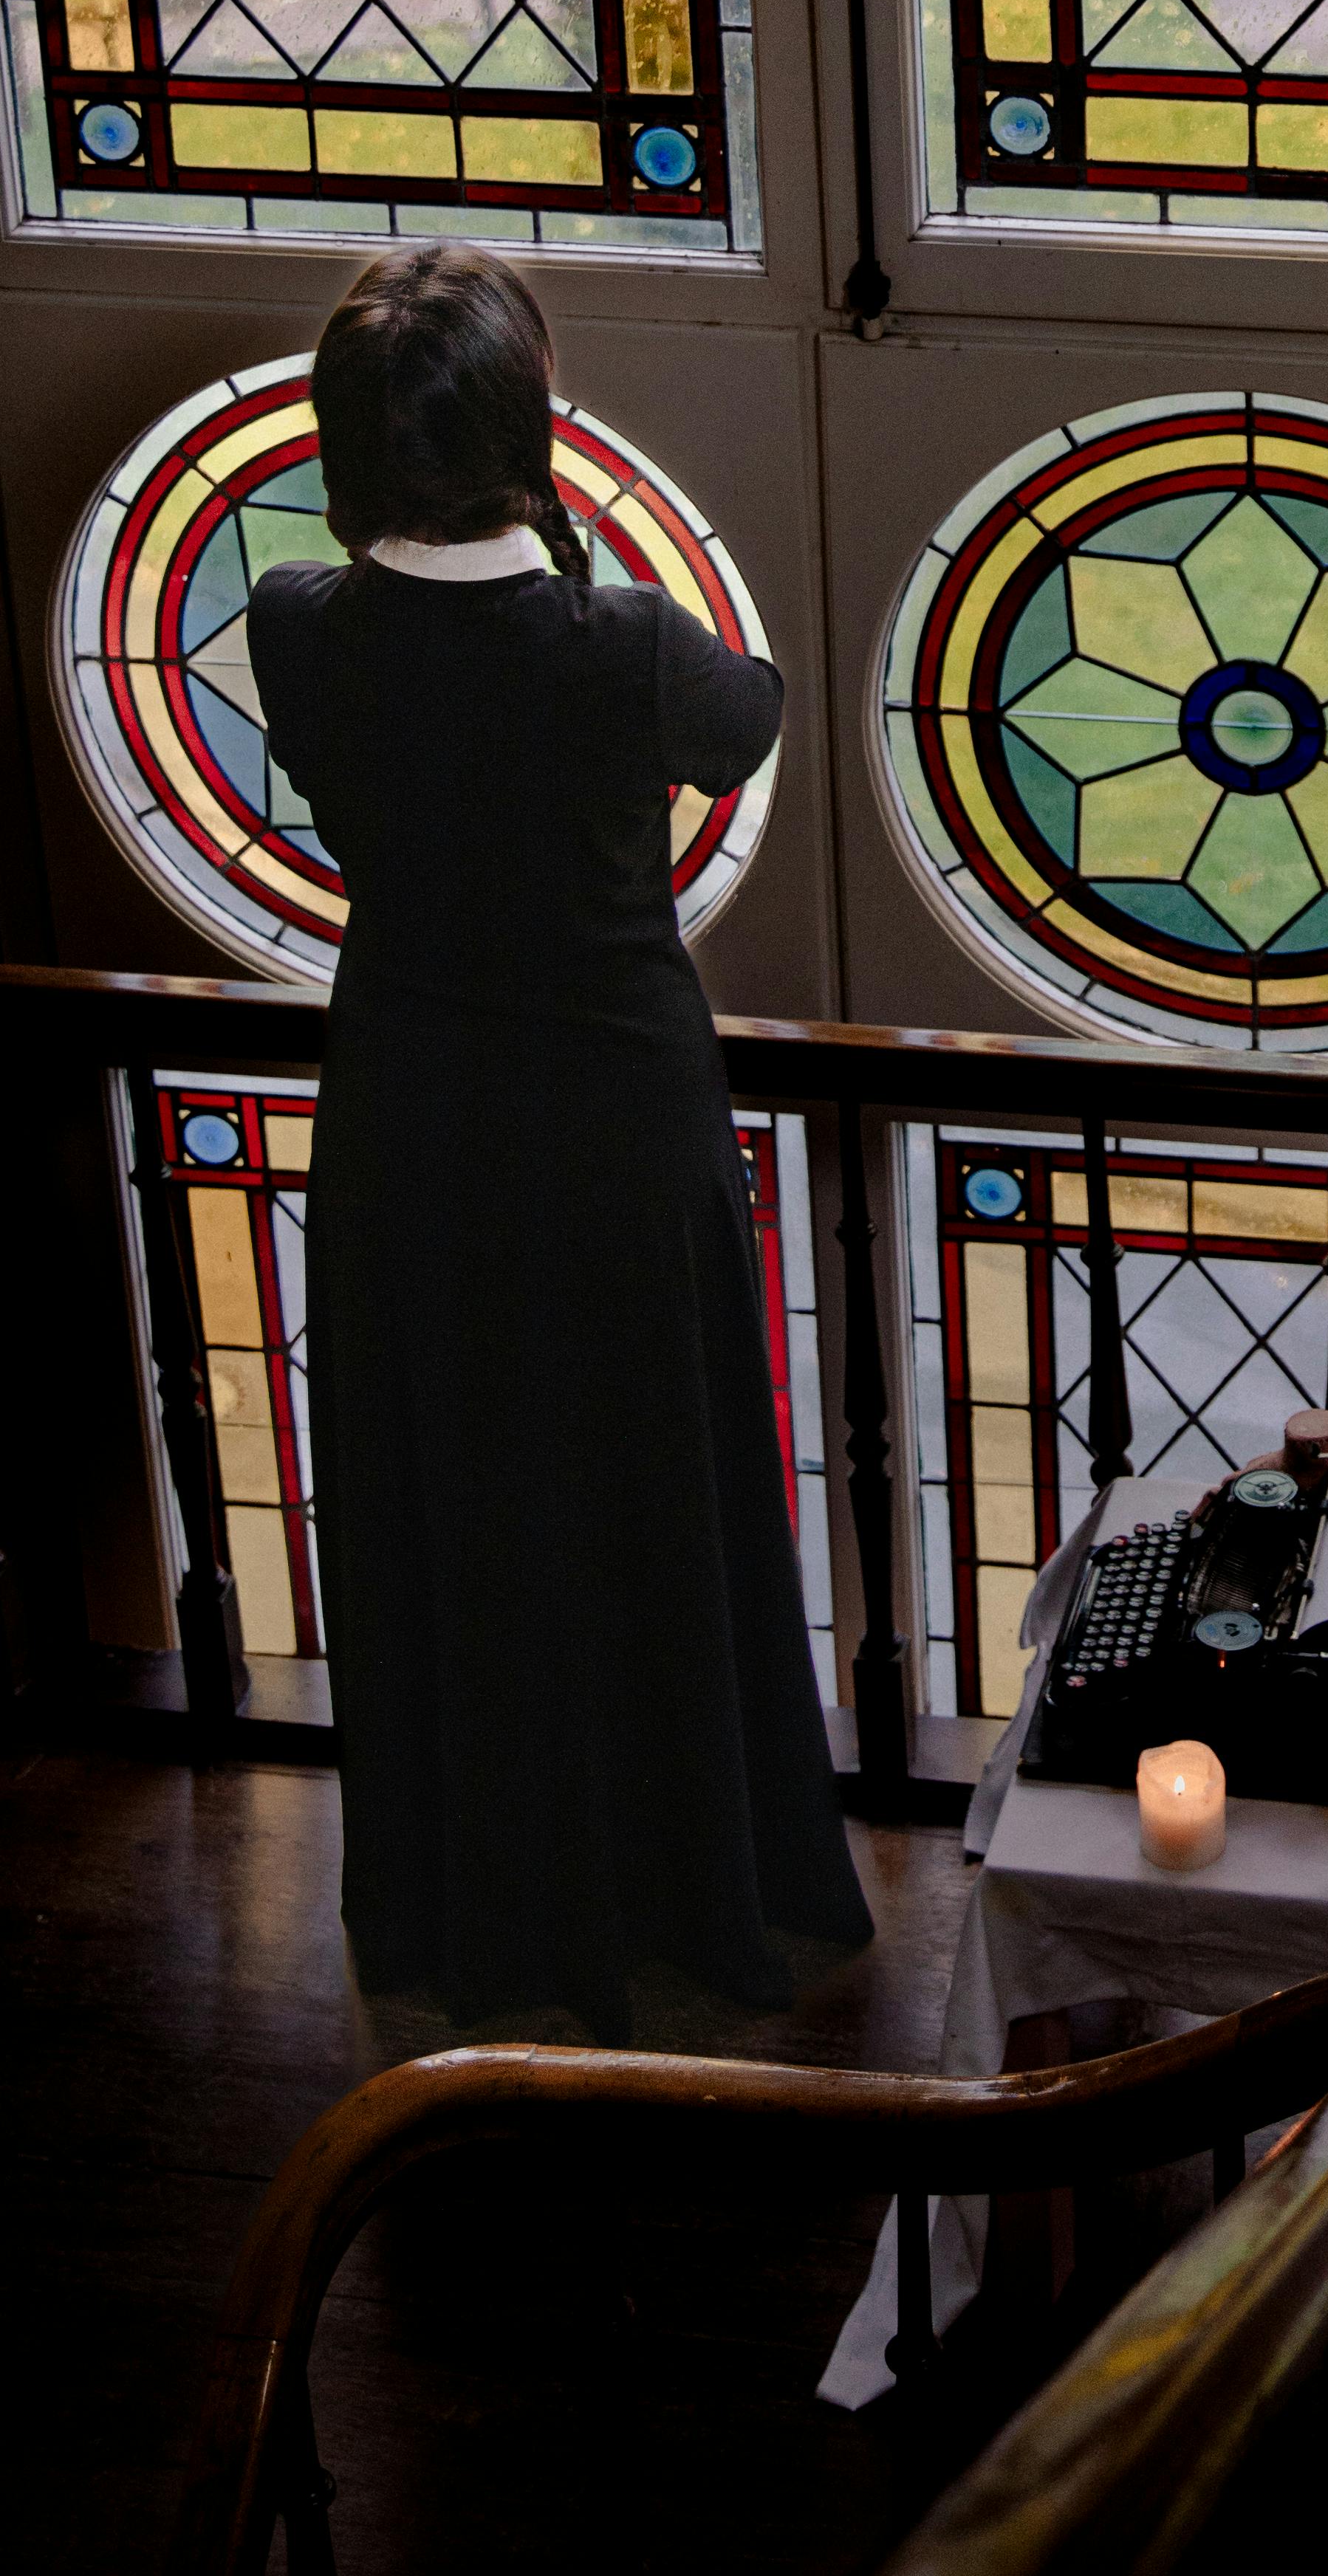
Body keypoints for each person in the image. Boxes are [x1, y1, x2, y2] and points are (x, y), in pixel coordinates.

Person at [250, 241, 868, 2033]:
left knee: (461, 1503)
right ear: (530, 428)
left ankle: (474, 1898)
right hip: (614, 1121)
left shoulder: (297, 624)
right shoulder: (613, 648)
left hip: (413, 1120)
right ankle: (694, 1877)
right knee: (645, 1487)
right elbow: (744, 720)